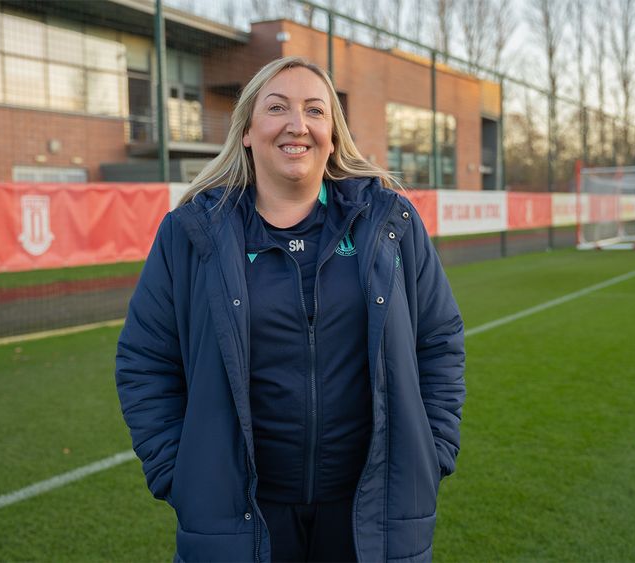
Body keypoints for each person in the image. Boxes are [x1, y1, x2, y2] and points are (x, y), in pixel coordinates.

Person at [115, 56, 465, 563]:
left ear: (333, 134)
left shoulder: (390, 223)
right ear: (248, 133)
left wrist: (432, 452)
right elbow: (145, 360)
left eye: (315, 111)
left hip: (369, 512)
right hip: (239, 512)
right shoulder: (191, 233)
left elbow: (439, 341)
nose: (296, 125)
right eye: (277, 107)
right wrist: (181, 471)